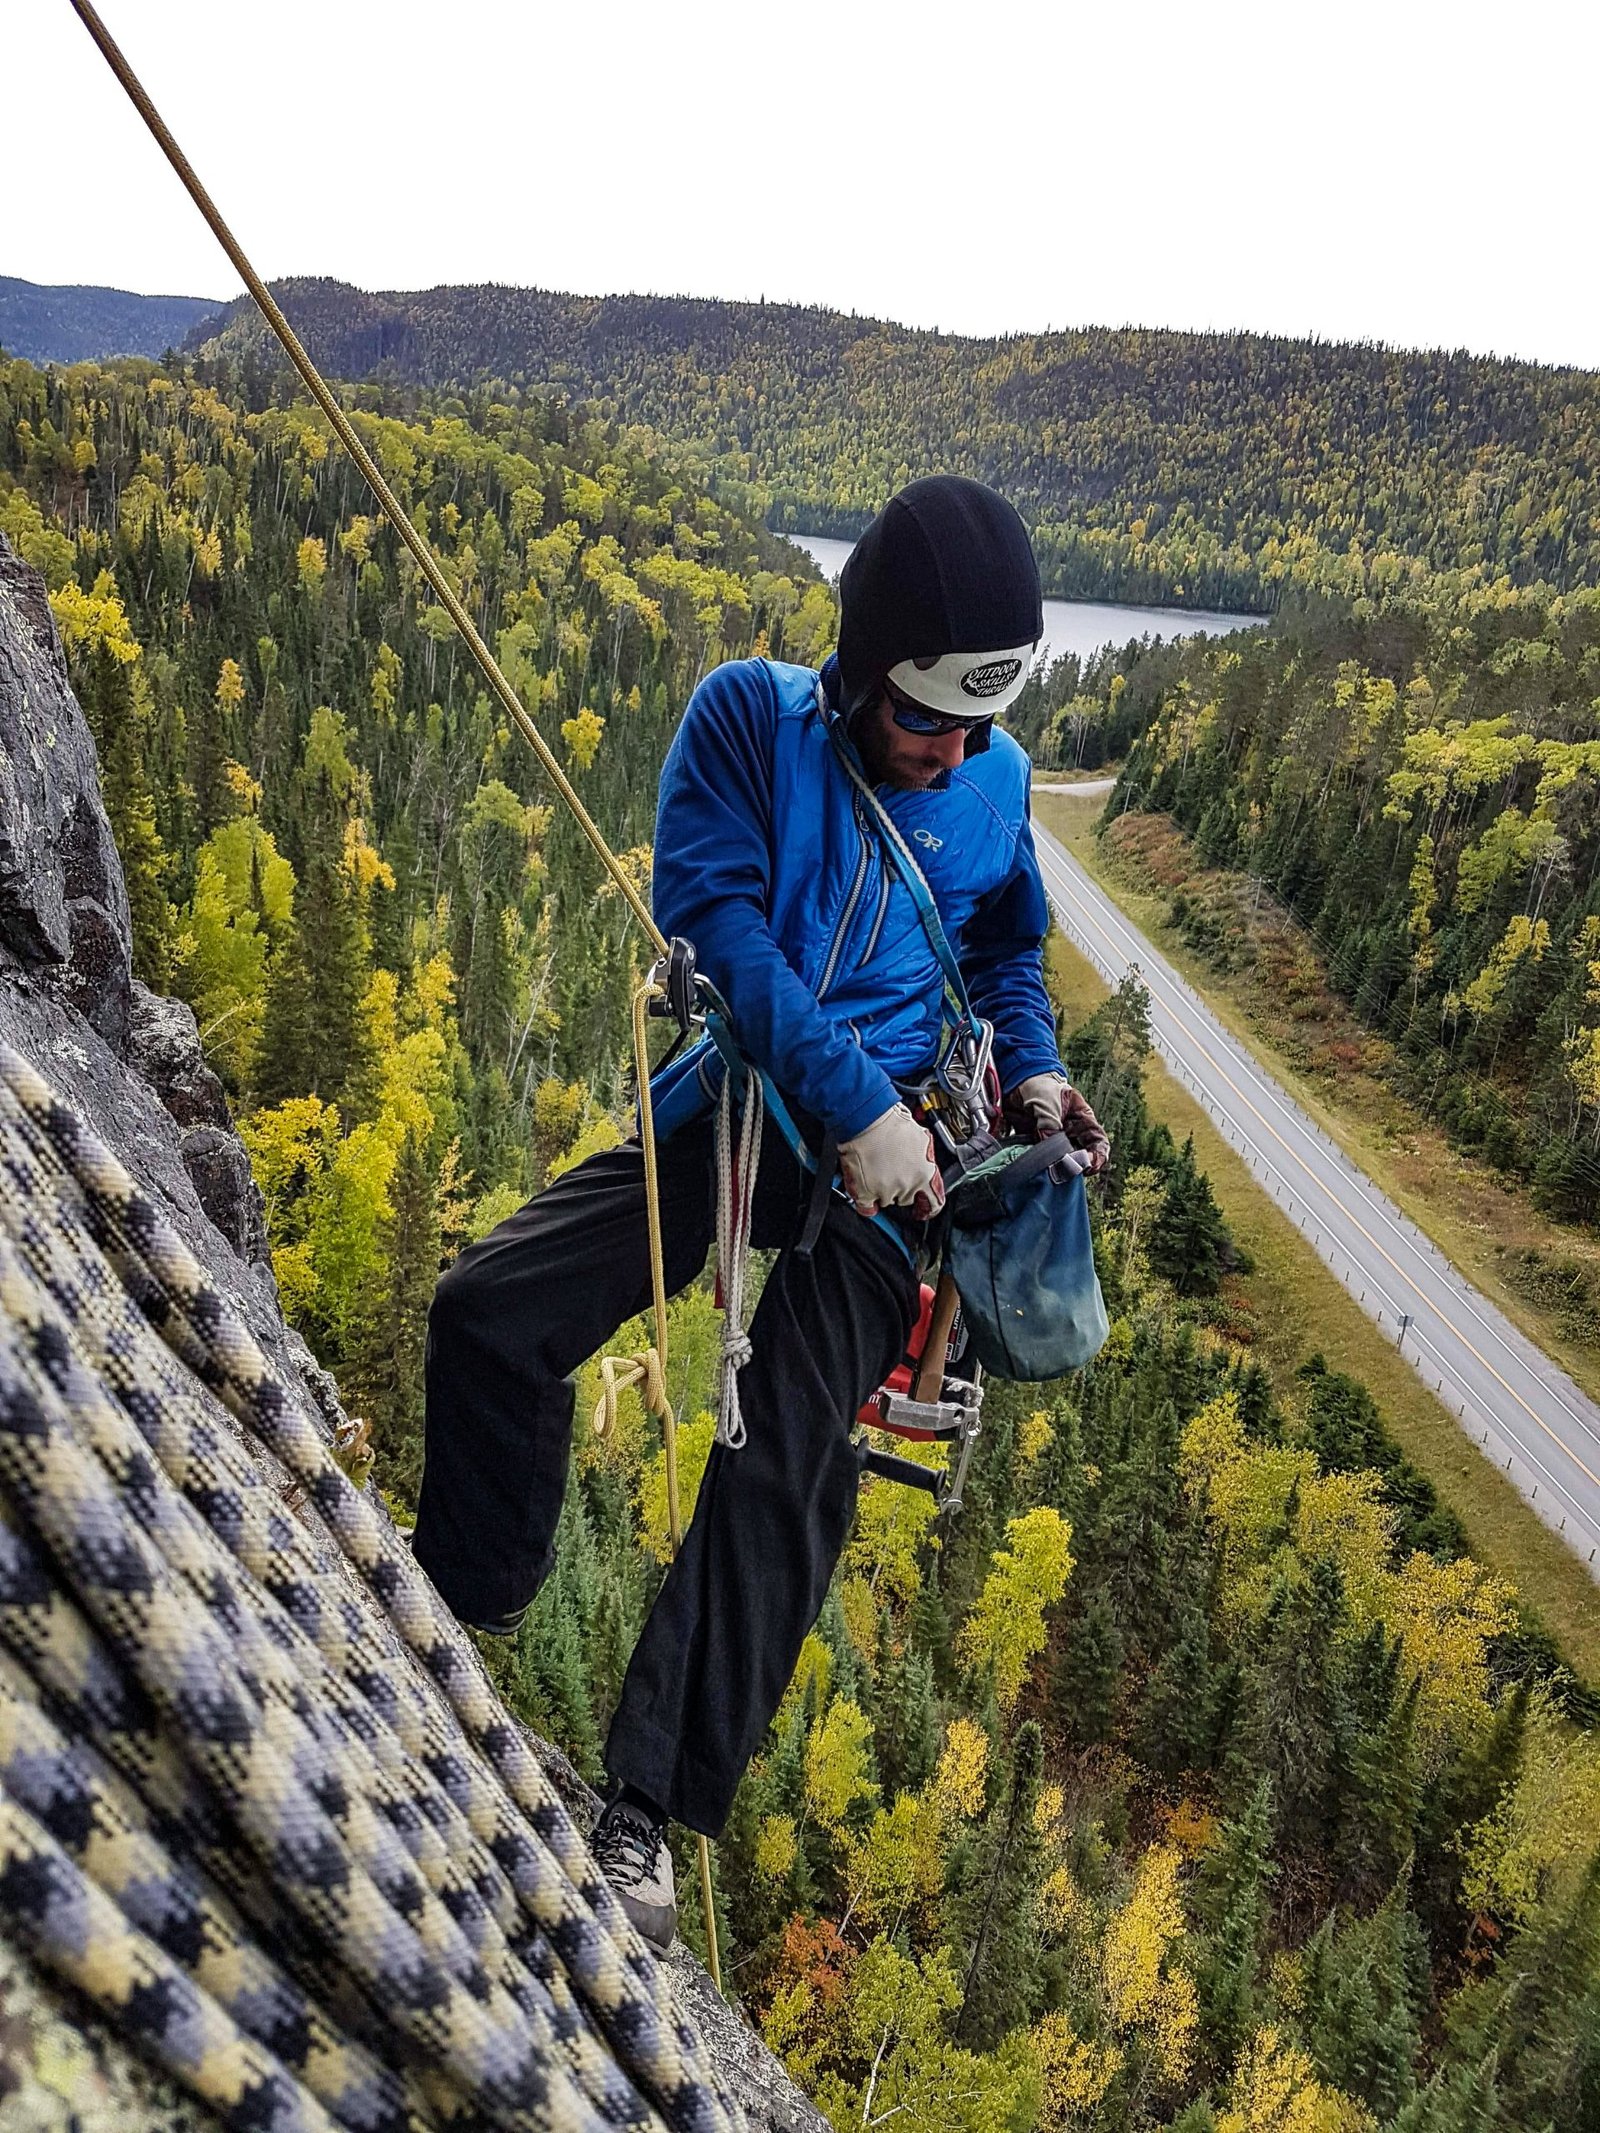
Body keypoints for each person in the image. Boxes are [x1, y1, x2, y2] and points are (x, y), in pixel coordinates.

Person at [411, 475, 1109, 1951]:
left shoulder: (990, 783)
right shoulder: (746, 723)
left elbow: (1004, 951)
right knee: (490, 1312)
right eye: (928, 717)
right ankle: (451, 1612)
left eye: (978, 723)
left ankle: (643, 1812)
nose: (957, 751)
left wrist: (1036, 1081)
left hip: (904, 1149)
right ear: (858, 678)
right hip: (757, 1109)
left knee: (785, 1467)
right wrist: (852, 1109)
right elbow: (717, 921)